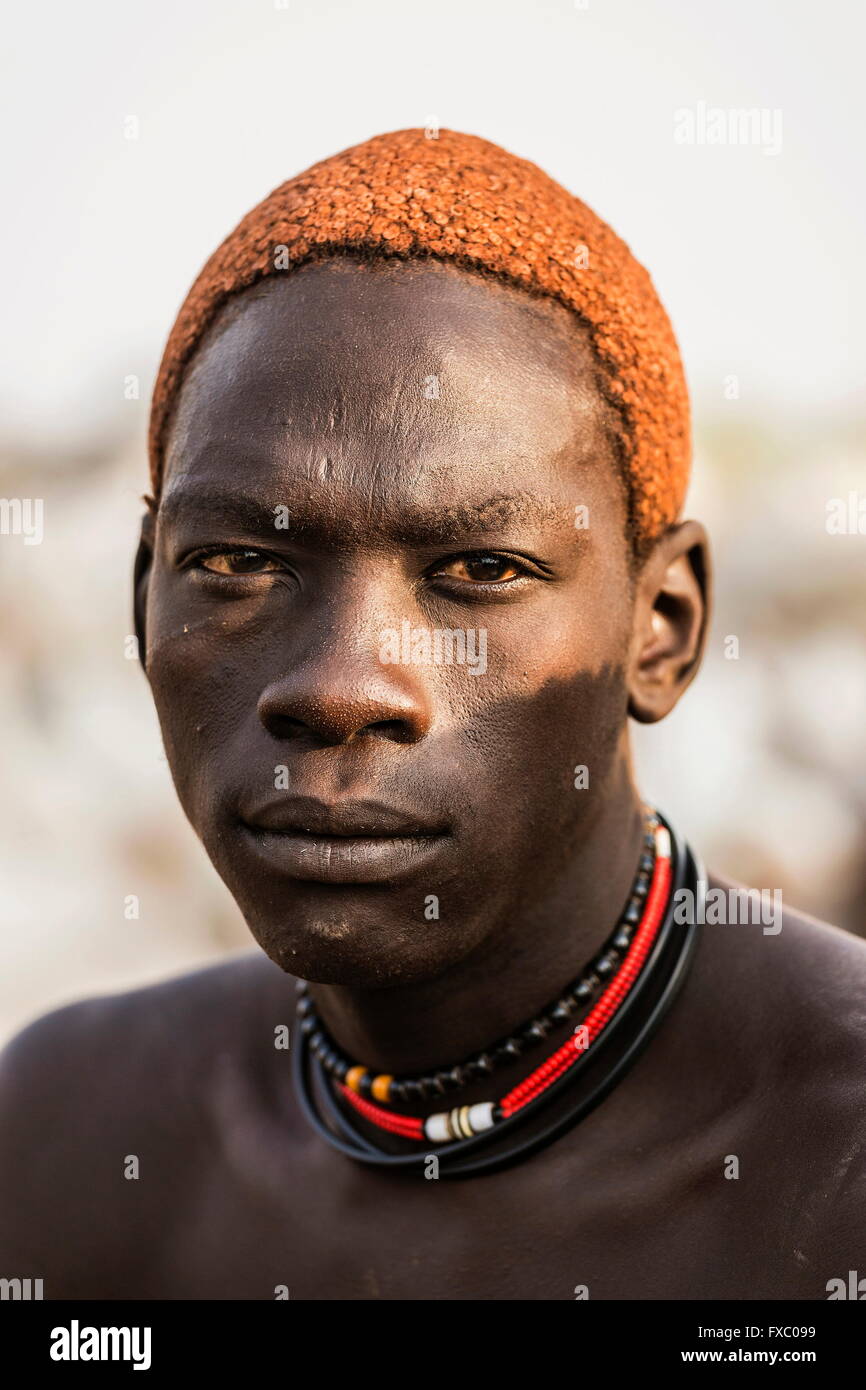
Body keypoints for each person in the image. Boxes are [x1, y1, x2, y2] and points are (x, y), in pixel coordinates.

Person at [1, 128, 864, 1300]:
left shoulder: (834, 1164)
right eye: (240, 562)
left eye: (480, 568)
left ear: (659, 627)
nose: (341, 685)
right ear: (140, 591)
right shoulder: (68, 1131)